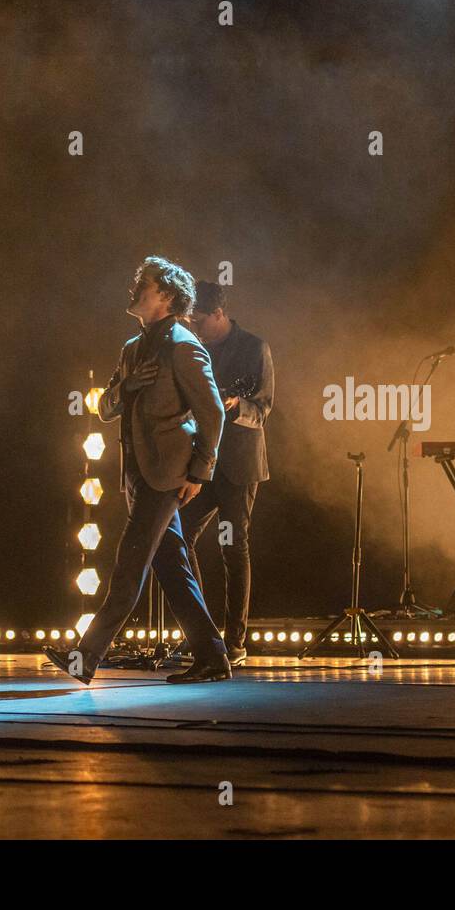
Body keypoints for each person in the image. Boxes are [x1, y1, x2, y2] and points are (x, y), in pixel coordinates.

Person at [45, 256, 231, 685]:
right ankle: (213, 658)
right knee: (173, 570)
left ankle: (84, 657)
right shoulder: (133, 348)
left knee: (129, 567)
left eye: (142, 283)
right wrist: (127, 387)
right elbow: (106, 407)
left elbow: (214, 412)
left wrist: (200, 473)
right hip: (139, 477)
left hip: (167, 476)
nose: (134, 288)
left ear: (166, 295)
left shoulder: (184, 344)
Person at [179, 281, 274, 667]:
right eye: (191, 321)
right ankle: (202, 634)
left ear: (219, 314)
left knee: (233, 549)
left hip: (237, 466)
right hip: (201, 464)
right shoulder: (193, 346)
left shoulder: (255, 347)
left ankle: (235, 641)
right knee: (178, 538)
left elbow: (263, 407)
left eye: (200, 320)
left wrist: (236, 407)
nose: (195, 327)